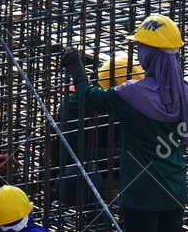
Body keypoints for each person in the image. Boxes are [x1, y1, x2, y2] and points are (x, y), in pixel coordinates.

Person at [61, 14, 188, 232]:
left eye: (141, 49)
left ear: (149, 54)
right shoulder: (182, 92)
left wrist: (77, 69)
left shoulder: (134, 94)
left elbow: (90, 99)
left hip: (142, 190)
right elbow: (187, 134)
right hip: (174, 184)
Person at [47, 52, 142, 210]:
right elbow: (77, 152)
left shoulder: (130, 105)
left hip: (111, 166)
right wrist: (120, 154)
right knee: (85, 174)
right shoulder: (74, 106)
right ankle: (98, 225)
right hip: (77, 173)